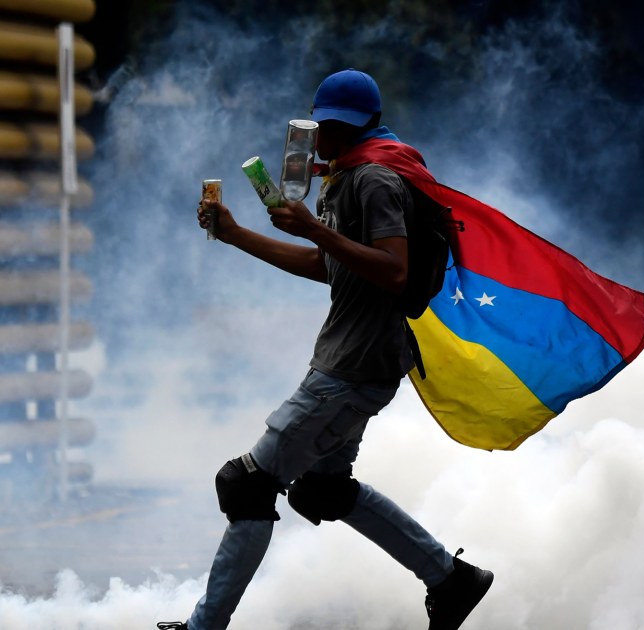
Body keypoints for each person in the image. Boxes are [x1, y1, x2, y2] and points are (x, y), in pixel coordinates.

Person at [158, 69, 492, 630]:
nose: (323, 138)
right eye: (322, 126)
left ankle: (202, 627)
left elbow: (393, 269)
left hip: (351, 368)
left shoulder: (376, 180)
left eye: (335, 127)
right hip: (359, 361)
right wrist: (238, 234)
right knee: (323, 489)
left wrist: (316, 229)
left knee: (246, 484)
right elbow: (329, 266)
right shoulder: (348, 176)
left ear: (352, 126)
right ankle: (452, 580)